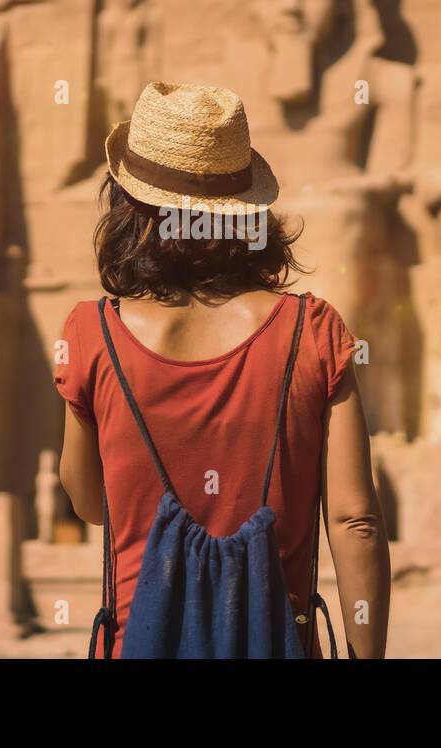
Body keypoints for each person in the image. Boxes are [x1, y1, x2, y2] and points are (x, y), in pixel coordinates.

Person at [54, 80, 390, 658]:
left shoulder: (90, 334)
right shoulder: (312, 331)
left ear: (128, 209)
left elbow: (90, 503)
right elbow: (355, 519)